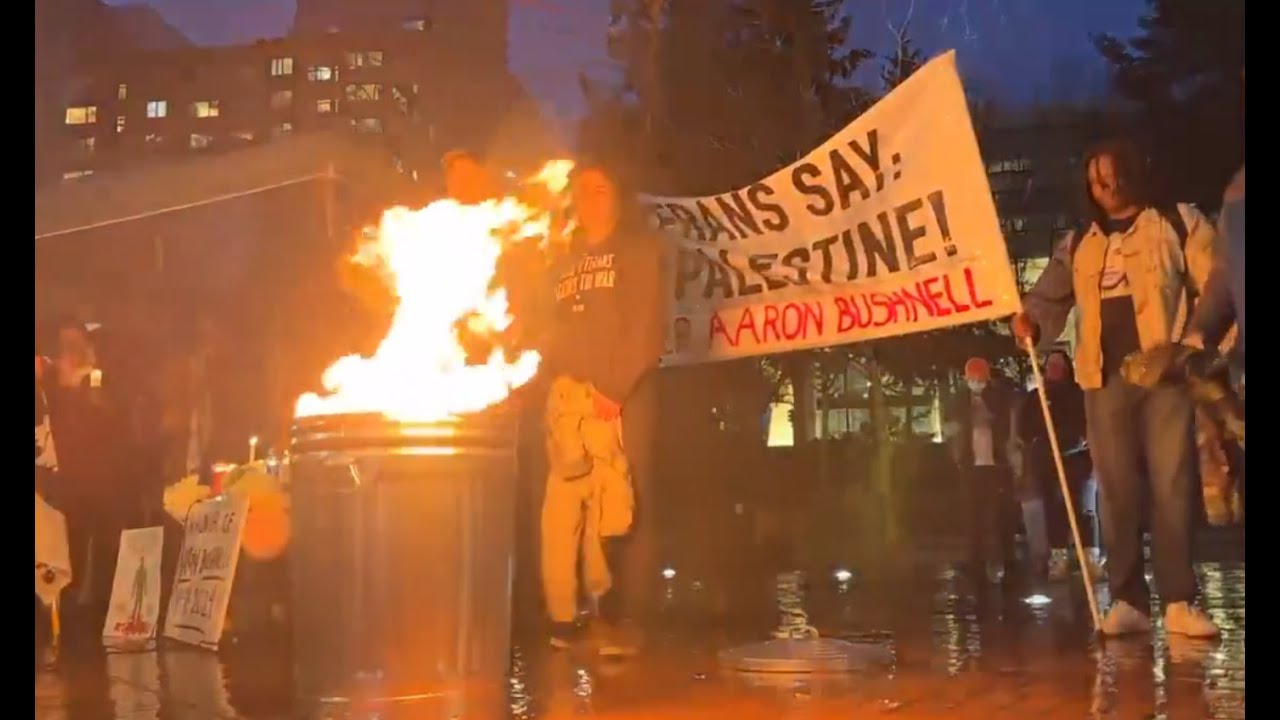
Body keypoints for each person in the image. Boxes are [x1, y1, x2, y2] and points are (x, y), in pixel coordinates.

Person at [1011, 138, 1220, 638]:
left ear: (1131, 173)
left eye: (1110, 176)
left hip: (1165, 373)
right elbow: (1047, 297)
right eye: (1094, 180)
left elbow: (1219, 285)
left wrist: (1199, 346)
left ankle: (1178, 599)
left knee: (1172, 486)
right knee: (1116, 491)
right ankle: (1128, 599)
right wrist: (1029, 322)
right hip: (1101, 378)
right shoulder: (1079, 243)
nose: (1103, 187)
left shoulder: (1177, 223)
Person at [540, 162, 664, 656]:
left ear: (616, 196)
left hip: (621, 399)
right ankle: (567, 617)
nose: (590, 199)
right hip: (569, 405)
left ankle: (626, 618)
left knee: (621, 508)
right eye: (582, 191)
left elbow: (648, 327)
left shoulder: (638, 251)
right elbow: (547, 329)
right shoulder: (561, 259)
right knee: (564, 513)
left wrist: (615, 389)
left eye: (600, 189)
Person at [37, 318, 130, 645]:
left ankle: (98, 611)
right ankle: (61, 614)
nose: (71, 351)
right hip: (60, 481)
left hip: (97, 479)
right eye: (66, 344)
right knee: (63, 549)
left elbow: (114, 424)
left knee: (100, 547)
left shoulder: (99, 382)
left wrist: (92, 394)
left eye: (77, 343)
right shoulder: (49, 381)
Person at [1013, 350, 1102, 582]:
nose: (1054, 370)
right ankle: (1059, 556)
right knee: (1054, 509)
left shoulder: (1078, 395)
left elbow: (1088, 423)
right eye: (1050, 365)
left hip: (1077, 460)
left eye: (1058, 365)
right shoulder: (1037, 398)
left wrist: (1079, 439)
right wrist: (1037, 441)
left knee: (1083, 509)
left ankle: (1089, 557)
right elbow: (1024, 429)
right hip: (1047, 461)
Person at [944, 357, 1018, 584]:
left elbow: (1007, 421)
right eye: (972, 378)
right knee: (972, 516)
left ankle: (1007, 560)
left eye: (980, 378)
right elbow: (950, 426)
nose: (976, 383)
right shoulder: (959, 400)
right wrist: (963, 424)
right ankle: (975, 561)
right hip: (971, 465)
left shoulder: (998, 398)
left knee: (1001, 514)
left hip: (996, 464)